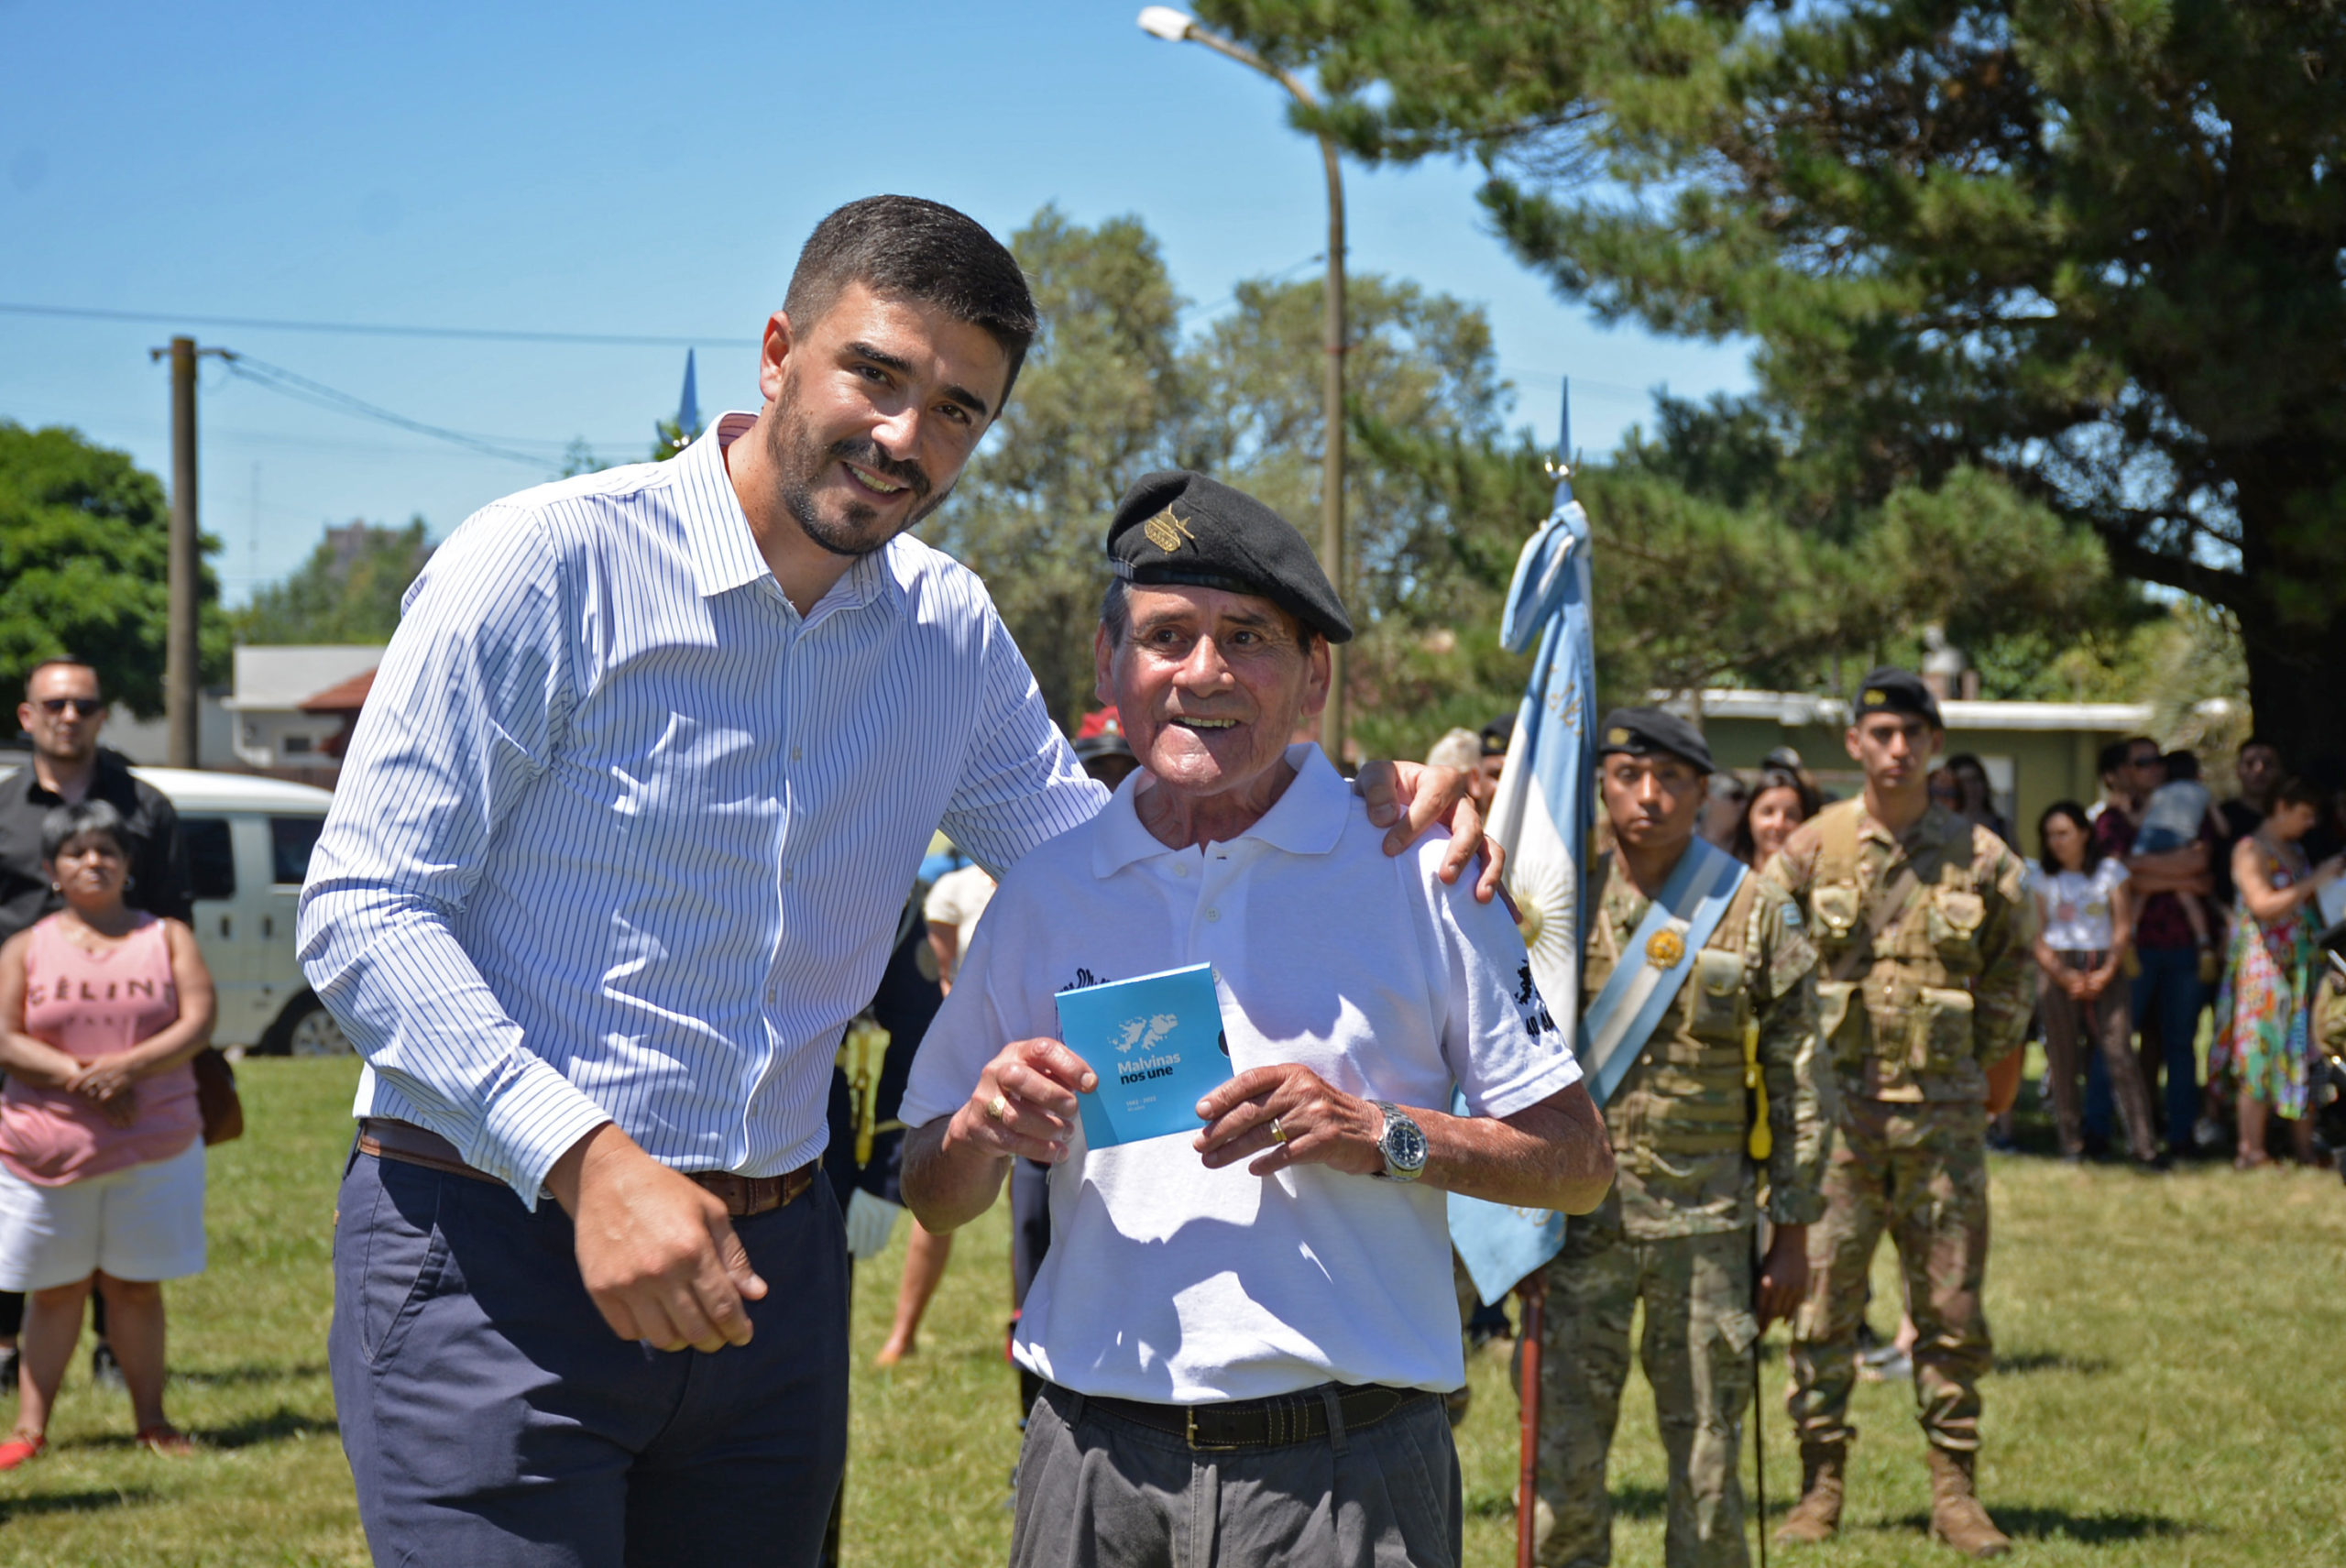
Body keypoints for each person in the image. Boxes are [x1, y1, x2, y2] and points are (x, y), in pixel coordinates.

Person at [299, 195, 1490, 1567]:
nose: (905, 437)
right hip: (495, 1247)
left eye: (959, 410)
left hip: (774, 1279)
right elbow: (365, 907)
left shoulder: (946, 630)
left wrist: (1354, 804)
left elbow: (1107, 856)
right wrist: (586, 1159)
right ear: (776, 352)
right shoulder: (543, 562)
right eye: (877, 373)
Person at [897, 470, 1615, 1568]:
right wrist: (980, 1129)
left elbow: (1577, 1163)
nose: (1203, 673)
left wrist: (1383, 1134)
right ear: (1108, 664)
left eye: (1248, 637)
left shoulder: (1419, 866)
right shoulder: (1045, 887)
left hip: (1346, 1474)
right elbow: (930, 1195)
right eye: (1166, 635)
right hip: (1089, 1464)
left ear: (1312, 676)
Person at [1527, 708, 1833, 1568]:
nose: (1648, 795)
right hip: (1576, 1229)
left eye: (1671, 778)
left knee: (1707, 1462)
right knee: (1565, 1460)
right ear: (1603, 784)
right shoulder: (1555, 901)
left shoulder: (1753, 907)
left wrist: (1794, 1234)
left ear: (1706, 792)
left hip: (1706, 1228)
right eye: (1628, 774)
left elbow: (1800, 1077)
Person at [1770, 668, 2034, 1560]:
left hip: (1943, 1127)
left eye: (1910, 733)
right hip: (1838, 1125)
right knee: (1822, 1313)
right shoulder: (1809, 850)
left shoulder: (1984, 859)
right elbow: (1763, 964)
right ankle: (1819, 1487)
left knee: (1951, 1310)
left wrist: (1975, 1075)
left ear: (1931, 742)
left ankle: (1955, 1493)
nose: (1895, 747)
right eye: (1879, 732)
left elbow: (2009, 977)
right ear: (1854, 743)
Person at [0, 799, 215, 1466]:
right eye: (76, 852)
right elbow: (4, 1035)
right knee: (55, 1287)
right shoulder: (24, 946)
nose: (93, 862)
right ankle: (30, 1430)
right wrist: (82, 1077)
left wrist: (126, 1070)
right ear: (52, 870)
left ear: (128, 866)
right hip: (45, 1147)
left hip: (155, 1145)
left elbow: (199, 1019)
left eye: (107, 851)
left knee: (134, 1284)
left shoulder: (169, 936)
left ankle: (151, 1420)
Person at [0, 659, 193, 1394]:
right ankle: (8, 1345)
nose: (69, 715)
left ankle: (117, 1348)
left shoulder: (146, 805)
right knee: (19, 1201)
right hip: (18, 1035)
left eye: (84, 703)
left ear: (102, 714)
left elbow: (178, 918)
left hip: (131, 1045)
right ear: (28, 716)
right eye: (55, 703)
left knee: (129, 1190)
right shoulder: (3, 810)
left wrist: (134, 1065)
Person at [870, 858, 1000, 1368]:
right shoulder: (953, 888)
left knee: (1037, 1206)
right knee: (942, 1197)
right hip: (972, 1055)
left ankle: (1022, 1322)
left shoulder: (1052, 870)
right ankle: (903, 1334)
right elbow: (938, 981)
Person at [2210, 778, 2345, 1169]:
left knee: (2305, 1052)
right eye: (2303, 814)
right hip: (2264, 969)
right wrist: (2315, 880)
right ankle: (2250, 1150)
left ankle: (2304, 1150)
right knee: (2258, 1052)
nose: (2309, 823)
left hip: (2301, 966)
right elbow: (2263, 904)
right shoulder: (2250, 850)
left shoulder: (2297, 851)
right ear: (2281, 806)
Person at [2091, 737, 2212, 1157]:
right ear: (2120, 772)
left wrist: (2143, 870)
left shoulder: (2189, 808)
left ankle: (2181, 1135)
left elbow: (2203, 867)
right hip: (2132, 946)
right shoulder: (2109, 821)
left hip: (2184, 945)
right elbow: (2115, 875)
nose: (2155, 769)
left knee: (2181, 1044)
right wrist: (2178, 872)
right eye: (2143, 762)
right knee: (2116, 1039)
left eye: (2158, 760)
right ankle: (2098, 1132)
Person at [2031, 802, 2159, 1167]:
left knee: (2119, 1052)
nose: (2056, 842)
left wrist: (2107, 970)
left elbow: (2122, 926)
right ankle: (2071, 1142)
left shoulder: (2109, 872)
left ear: (2084, 833)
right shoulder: (2042, 876)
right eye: (2050, 835)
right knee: (2062, 1055)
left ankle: (2143, 1144)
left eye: (2064, 833)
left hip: (2104, 962)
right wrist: (2062, 974)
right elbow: (2037, 934)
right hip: (2059, 964)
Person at [1734, 765, 1824, 870]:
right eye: (1768, 812)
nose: (1778, 824)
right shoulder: (1729, 878)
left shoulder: (1818, 884)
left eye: (1791, 815)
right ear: (1748, 818)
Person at [1943, 753, 2014, 848]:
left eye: (1975, 780)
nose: (1970, 788)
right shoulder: (1942, 826)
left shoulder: (2003, 827)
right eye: (1963, 782)